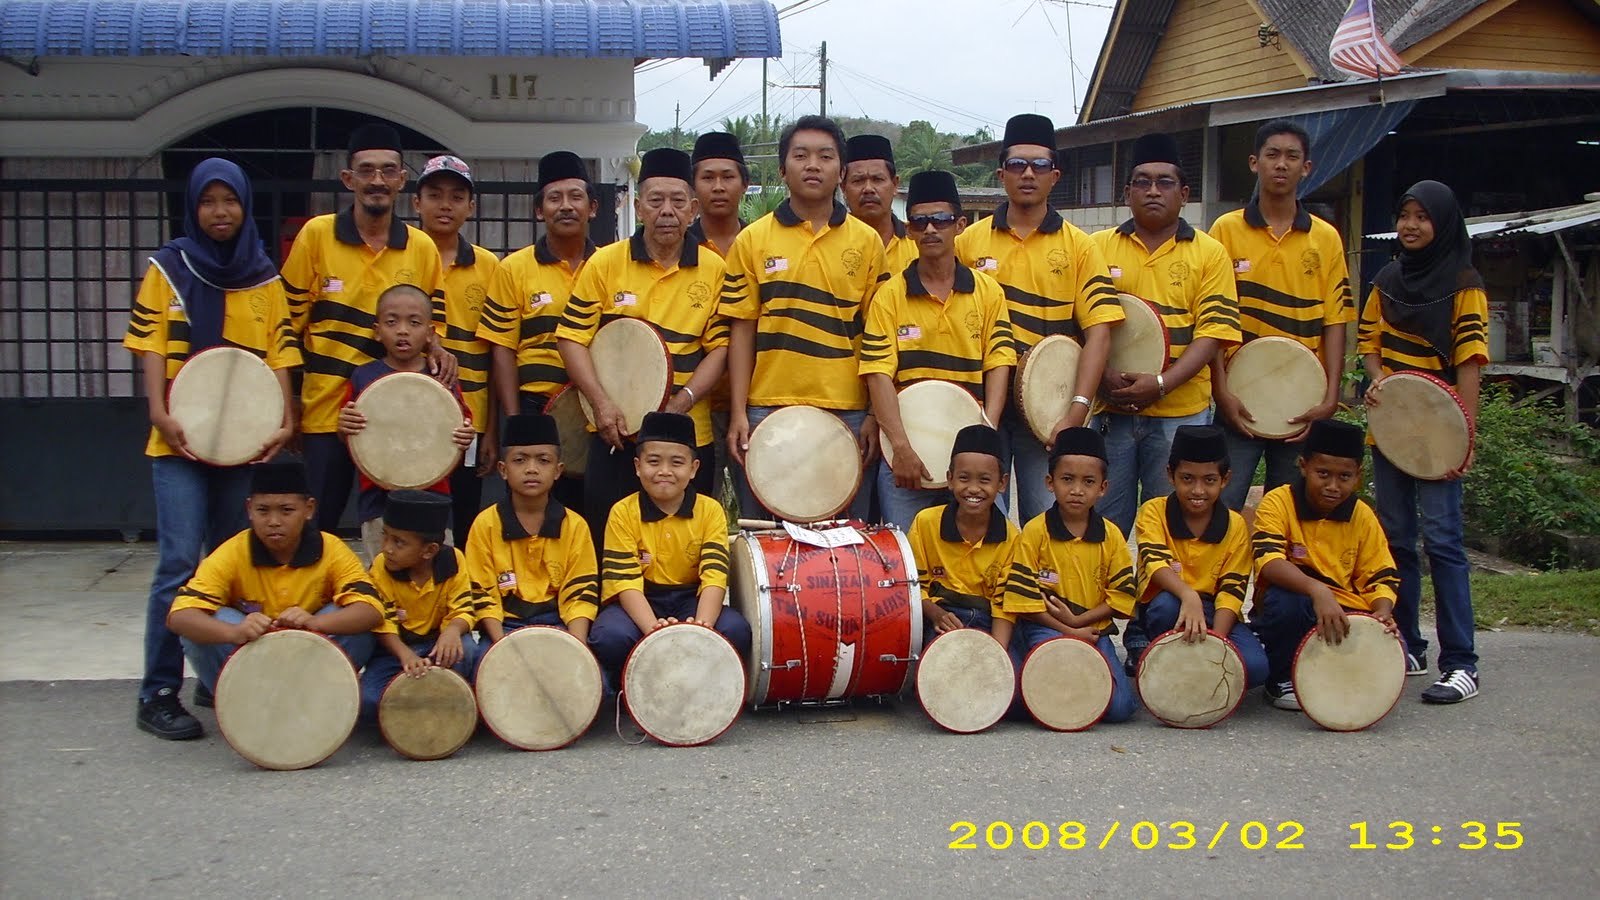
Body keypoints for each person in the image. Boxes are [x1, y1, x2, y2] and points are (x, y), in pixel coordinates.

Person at [124, 157, 298, 740]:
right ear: (193, 207)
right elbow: (150, 346)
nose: (219, 212)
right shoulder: (167, 269)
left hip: (244, 451)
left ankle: (215, 671)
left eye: (230, 201)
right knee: (178, 565)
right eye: (208, 201)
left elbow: (278, 357)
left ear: (246, 207)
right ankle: (158, 691)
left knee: (231, 567)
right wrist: (159, 412)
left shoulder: (265, 279)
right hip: (177, 445)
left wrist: (285, 419)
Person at [1092, 133, 1241, 669]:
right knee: (1104, 532)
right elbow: (1087, 325)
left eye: (1165, 182)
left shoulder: (1209, 253)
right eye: (1142, 182)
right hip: (1110, 416)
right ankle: (1099, 642)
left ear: (1183, 192)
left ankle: (1152, 637)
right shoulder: (1100, 247)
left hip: (1179, 417)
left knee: (1172, 534)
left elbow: (1213, 333)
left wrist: (1159, 383)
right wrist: (1105, 378)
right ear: (1127, 191)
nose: (1153, 191)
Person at [281, 122, 452, 532]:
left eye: (388, 170)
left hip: (398, 420)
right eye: (367, 170)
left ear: (401, 180)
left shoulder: (422, 246)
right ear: (348, 178)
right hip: (326, 413)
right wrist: (290, 405)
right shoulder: (316, 236)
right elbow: (284, 329)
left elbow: (436, 324)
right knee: (315, 527)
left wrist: (441, 349)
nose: (378, 180)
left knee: (399, 534)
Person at [955, 113, 1122, 522]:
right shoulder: (967, 243)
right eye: (1017, 165)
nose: (1028, 173)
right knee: (978, 522)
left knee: (1046, 522)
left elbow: (1099, 333)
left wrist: (1076, 412)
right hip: (982, 407)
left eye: (1039, 165)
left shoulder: (1080, 248)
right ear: (1001, 174)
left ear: (1055, 175)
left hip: (1048, 415)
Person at [557, 147, 728, 544]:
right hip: (616, 434)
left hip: (688, 432)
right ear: (638, 206)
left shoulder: (715, 269)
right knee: (610, 541)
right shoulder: (605, 263)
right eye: (655, 200)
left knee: (687, 546)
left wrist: (683, 401)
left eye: (677, 201)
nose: (666, 211)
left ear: (693, 209)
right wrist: (601, 403)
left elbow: (719, 349)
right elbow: (572, 339)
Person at [720, 115, 888, 521]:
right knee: (765, 542)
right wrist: (740, 410)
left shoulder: (867, 243)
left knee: (841, 543)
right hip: (767, 408)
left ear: (841, 171)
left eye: (825, 156)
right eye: (801, 155)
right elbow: (742, 330)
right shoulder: (752, 240)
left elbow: (878, 336)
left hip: (846, 410)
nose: (813, 165)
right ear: (782, 170)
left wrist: (871, 414)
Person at [1359, 180, 1486, 704]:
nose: (1411, 225)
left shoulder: (1464, 282)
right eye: (1404, 214)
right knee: (1395, 537)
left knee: (1444, 542)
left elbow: (1470, 361)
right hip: (1389, 433)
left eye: (1423, 217)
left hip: (1440, 435)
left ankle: (1461, 662)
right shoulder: (1387, 278)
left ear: (1443, 223)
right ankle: (1409, 642)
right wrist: (1377, 380)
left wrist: (1465, 435)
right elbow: (1369, 343)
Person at [1208, 120, 1352, 511]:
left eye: (1292, 157)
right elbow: (1213, 320)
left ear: (1307, 167)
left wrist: (1330, 395)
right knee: (1223, 507)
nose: (1281, 165)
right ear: (1255, 163)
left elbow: (1335, 321)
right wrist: (1222, 392)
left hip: (1300, 402)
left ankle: (1277, 575)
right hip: (1238, 398)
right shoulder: (1226, 230)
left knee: (1287, 513)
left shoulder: (1326, 237)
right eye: (1272, 155)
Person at [860, 169, 1014, 529]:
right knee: (911, 559)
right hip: (908, 456)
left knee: (988, 551)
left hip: (973, 455)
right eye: (920, 221)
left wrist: (987, 434)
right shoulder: (890, 295)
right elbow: (878, 375)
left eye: (941, 220)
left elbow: (999, 363)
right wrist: (900, 448)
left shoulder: (988, 292)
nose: (931, 229)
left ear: (959, 224)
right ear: (909, 229)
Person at [167, 459, 383, 695]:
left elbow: (371, 611)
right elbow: (179, 617)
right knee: (208, 621)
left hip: (309, 657)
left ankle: (318, 697)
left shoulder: (330, 548)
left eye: (287, 510)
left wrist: (314, 623)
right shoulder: (233, 551)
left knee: (355, 621)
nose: (274, 522)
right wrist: (235, 633)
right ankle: (238, 698)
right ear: (249, 509)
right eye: (263, 510)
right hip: (252, 658)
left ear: (309, 509)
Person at [588, 412, 752, 681]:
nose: (665, 471)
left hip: (691, 599)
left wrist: (702, 629)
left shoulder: (709, 510)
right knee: (609, 636)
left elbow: (714, 577)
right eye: (654, 461)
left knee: (735, 629)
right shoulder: (623, 512)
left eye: (677, 462)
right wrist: (655, 632)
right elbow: (626, 583)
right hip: (642, 599)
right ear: (638, 466)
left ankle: (697, 683)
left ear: (693, 469)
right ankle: (634, 685)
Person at [1251, 419, 1401, 711]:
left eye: (1344, 476)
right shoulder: (1279, 501)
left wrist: (1382, 613)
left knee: (1386, 641)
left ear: (1358, 476)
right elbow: (1269, 562)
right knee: (1287, 603)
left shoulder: (1362, 515)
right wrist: (1318, 590)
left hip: (1343, 610)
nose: (1333, 486)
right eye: (1323, 473)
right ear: (1303, 466)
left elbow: (1381, 573)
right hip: (1297, 604)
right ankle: (1282, 678)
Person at [478, 151, 597, 513]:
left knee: (591, 511)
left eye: (576, 197)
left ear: (592, 207)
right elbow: (502, 349)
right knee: (534, 513)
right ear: (538, 209)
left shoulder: (609, 265)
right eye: (554, 198)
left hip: (597, 413)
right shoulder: (513, 269)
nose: (566, 206)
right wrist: (515, 422)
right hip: (535, 407)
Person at [1001, 427, 1139, 723]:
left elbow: (1122, 597)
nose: (1077, 490)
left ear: (1103, 488)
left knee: (1119, 708)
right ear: (1050, 483)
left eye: (1088, 482)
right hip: (1045, 626)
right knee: (1044, 690)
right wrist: (1068, 629)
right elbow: (1024, 600)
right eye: (1067, 479)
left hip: (1094, 628)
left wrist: (1079, 623)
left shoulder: (1111, 536)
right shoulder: (1036, 532)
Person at [336, 284, 475, 560]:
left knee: (435, 571)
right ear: (377, 331)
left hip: (434, 497)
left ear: (430, 333)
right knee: (385, 570)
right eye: (391, 322)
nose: (402, 330)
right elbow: (351, 434)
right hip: (378, 498)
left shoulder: (441, 376)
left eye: (413, 322)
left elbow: (464, 423)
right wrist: (344, 426)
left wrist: (465, 435)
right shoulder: (363, 377)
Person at [1132, 424, 1267, 688]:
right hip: (1169, 601)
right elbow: (1155, 564)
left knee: (1255, 667)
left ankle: (1196, 665)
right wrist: (1188, 595)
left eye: (1209, 480)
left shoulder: (1236, 524)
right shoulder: (1154, 511)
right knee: (1165, 607)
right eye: (1187, 478)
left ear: (1225, 479)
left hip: (1214, 610)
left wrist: (1217, 643)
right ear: (1170, 475)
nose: (1197, 490)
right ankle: (1155, 650)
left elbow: (1233, 588)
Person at [414, 154, 502, 540]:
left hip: (468, 419)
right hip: (409, 411)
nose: (444, 205)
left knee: (464, 516)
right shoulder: (401, 256)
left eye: (455, 196)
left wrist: (491, 433)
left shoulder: (488, 267)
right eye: (434, 195)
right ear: (417, 203)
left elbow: (494, 353)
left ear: (471, 206)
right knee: (409, 518)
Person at [465, 413, 599, 644]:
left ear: (558, 471)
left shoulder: (575, 525)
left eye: (543, 460)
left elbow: (580, 594)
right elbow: (483, 593)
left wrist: (577, 647)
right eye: (520, 460)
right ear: (503, 469)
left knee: (597, 679)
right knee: (484, 668)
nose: (531, 469)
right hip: (505, 624)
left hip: (558, 622)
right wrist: (501, 645)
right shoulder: (486, 524)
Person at [358, 490, 479, 724]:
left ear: (429, 551)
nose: (386, 548)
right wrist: (406, 655)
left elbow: (463, 608)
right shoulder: (382, 567)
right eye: (386, 537)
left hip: (437, 643)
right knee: (369, 702)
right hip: (395, 649)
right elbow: (383, 622)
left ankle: (449, 702)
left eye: (399, 542)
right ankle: (415, 706)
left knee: (466, 651)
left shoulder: (454, 560)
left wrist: (453, 630)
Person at [907, 424, 1017, 650]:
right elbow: (912, 586)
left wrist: (997, 653)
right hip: (939, 617)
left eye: (985, 480)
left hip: (989, 622)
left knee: (1008, 680)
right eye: (964, 478)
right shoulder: (926, 523)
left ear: (1002, 483)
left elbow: (1004, 605)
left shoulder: (1011, 537)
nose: (974, 489)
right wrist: (935, 613)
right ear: (950, 479)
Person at [687, 131, 751, 503]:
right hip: (697, 404)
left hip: (754, 399)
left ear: (744, 183)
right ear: (694, 188)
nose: (718, 187)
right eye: (707, 177)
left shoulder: (762, 242)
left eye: (728, 177)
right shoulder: (678, 245)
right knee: (698, 505)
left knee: (758, 509)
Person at [843, 134, 919, 276]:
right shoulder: (831, 242)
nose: (868, 189)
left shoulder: (917, 242)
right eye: (858, 181)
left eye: (877, 179)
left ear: (895, 184)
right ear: (843, 188)